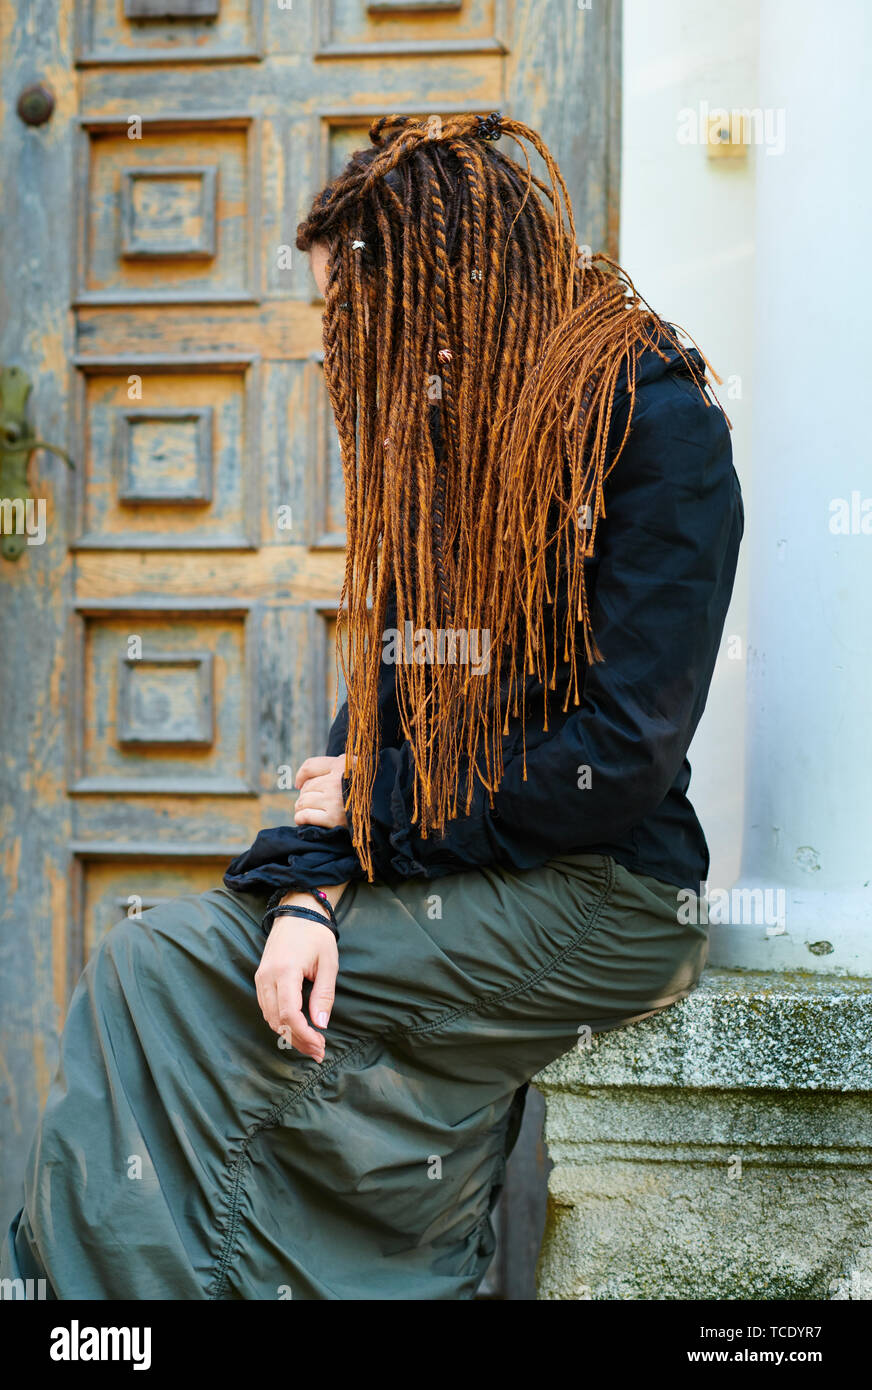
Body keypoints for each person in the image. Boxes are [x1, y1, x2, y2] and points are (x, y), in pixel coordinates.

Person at [2, 113, 743, 1300]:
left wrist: (379, 813)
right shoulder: (449, 447)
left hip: (605, 894)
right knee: (254, 987)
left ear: (448, 292)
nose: (339, 348)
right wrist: (310, 884)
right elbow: (378, 713)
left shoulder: (661, 432)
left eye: (351, 315)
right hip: (458, 868)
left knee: (160, 966)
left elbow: (621, 756)